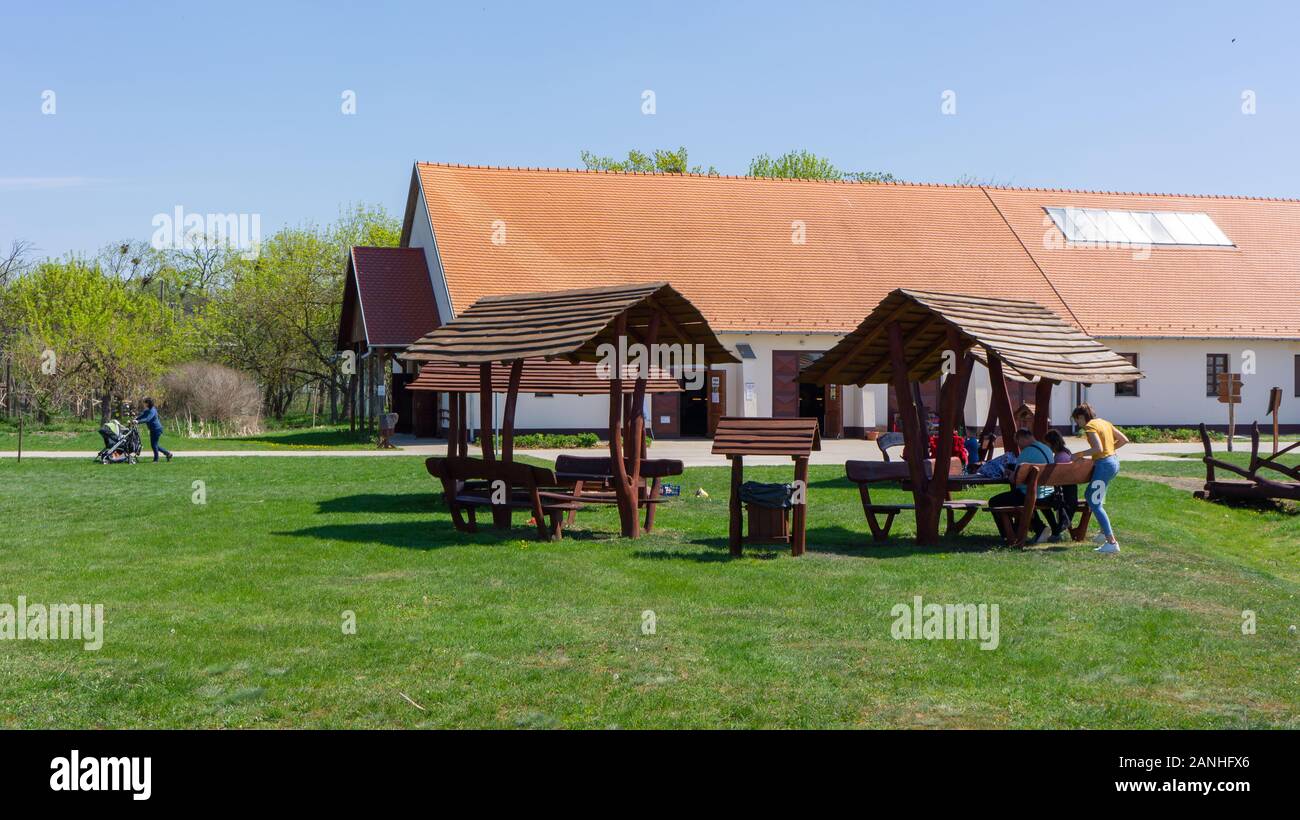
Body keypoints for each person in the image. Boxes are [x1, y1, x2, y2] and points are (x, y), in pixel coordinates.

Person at [1070, 403, 1128, 553]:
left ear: (1081, 417)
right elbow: (1123, 440)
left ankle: (1111, 542)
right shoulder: (1104, 422)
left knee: (1093, 500)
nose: (1078, 425)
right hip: (1114, 462)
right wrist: (1108, 451)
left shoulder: (1090, 426)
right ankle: (1103, 533)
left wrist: (1078, 454)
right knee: (1097, 498)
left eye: (1077, 421)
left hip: (1104, 466)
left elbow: (1097, 449)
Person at [987, 429, 1056, 543]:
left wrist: (1009, 474)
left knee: (994, 502)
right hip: (1048, 493)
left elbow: (1015, 480)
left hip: (1030, 494)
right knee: (1018, 499)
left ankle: (1008, 534)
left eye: (1018, 442)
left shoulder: (1026, 453)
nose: (1019, 446)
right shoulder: (1046, 449)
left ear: (1022, 438)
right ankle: (1039, 528)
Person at [1043, 429, 1076, 541]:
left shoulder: (1059, 457)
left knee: (1041, 501)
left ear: (1051, 443)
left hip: (1063, 494)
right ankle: (1058, 530)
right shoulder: (1067, 453)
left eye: (1046, 443)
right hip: (1071, 493)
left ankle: (1056, 531)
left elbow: (1055, 478)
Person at [135, 397, 172, 462]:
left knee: (154, 445)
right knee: (155, 445)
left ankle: (156, 459)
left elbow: (147, 419)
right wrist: (135, 419)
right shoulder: (147, 410)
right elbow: (142, 416)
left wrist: (138, 422)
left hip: (157, 429)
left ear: (148, 403)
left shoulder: (152, 411)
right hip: (153, 429)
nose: (144, 404)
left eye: (145, 403)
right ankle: (168, 453)